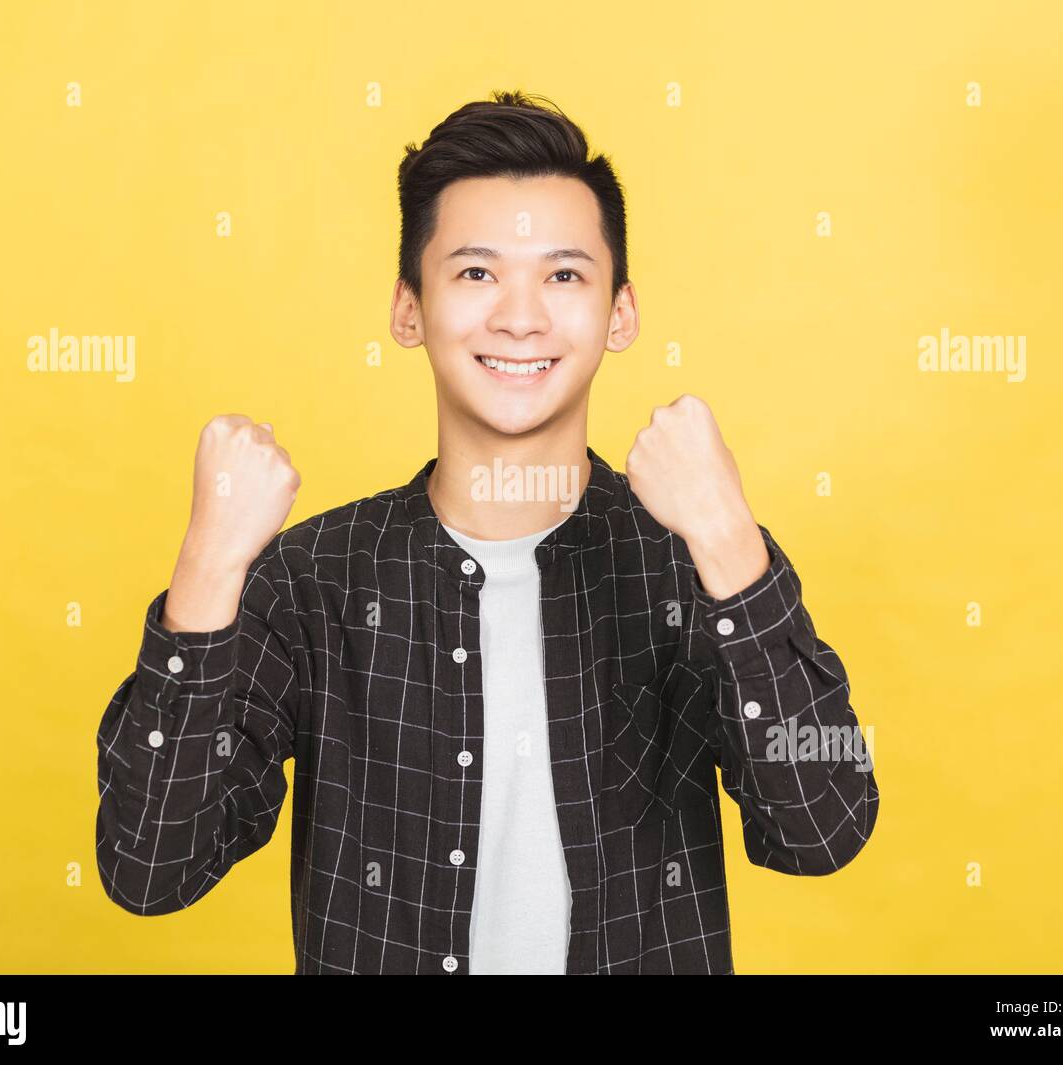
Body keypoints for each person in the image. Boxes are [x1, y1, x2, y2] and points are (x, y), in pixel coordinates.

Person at [94, 90, 879, 975]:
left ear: (620, 313)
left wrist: (731, 538)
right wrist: (207, 565)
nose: (519, 316)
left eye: (563, 274)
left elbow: (826, 825)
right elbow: (150, 865)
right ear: (408, 308)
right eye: (475, 272)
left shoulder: (694, 561)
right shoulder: (311, 578)